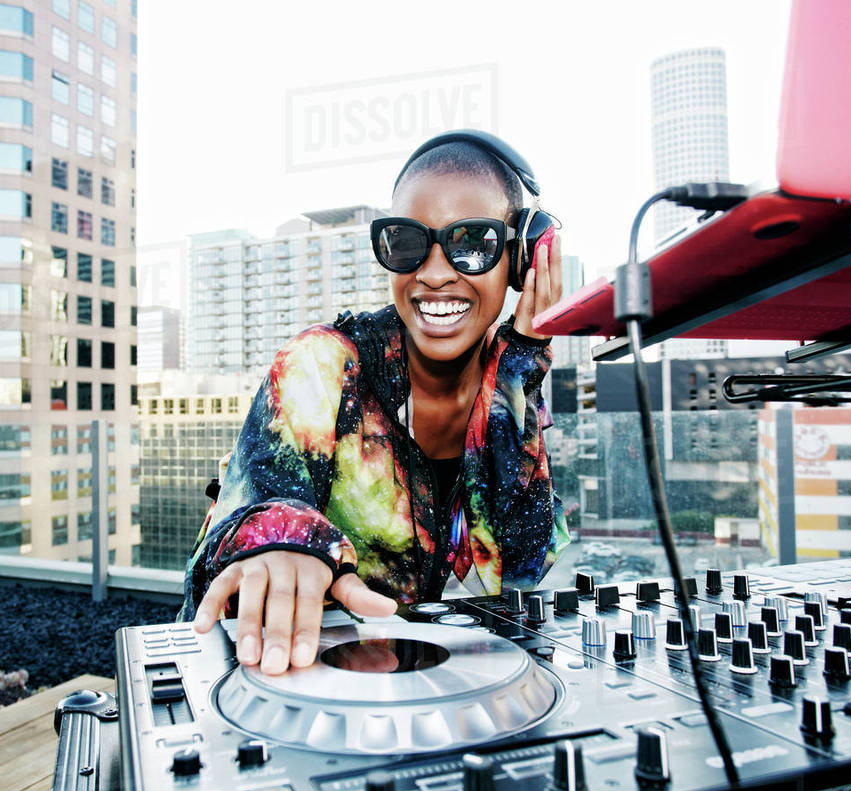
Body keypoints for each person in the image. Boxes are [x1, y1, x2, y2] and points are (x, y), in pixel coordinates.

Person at [181, 130, 570, 675]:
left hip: (431, 694)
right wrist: (282, 539)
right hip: (284, 685)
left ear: (524, 259)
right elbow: (232, 537)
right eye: (408, 242)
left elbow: (522, 568)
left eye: (473, 243)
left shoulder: (508, 381)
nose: (434, 273)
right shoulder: (321, 366)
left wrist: (522, 361)